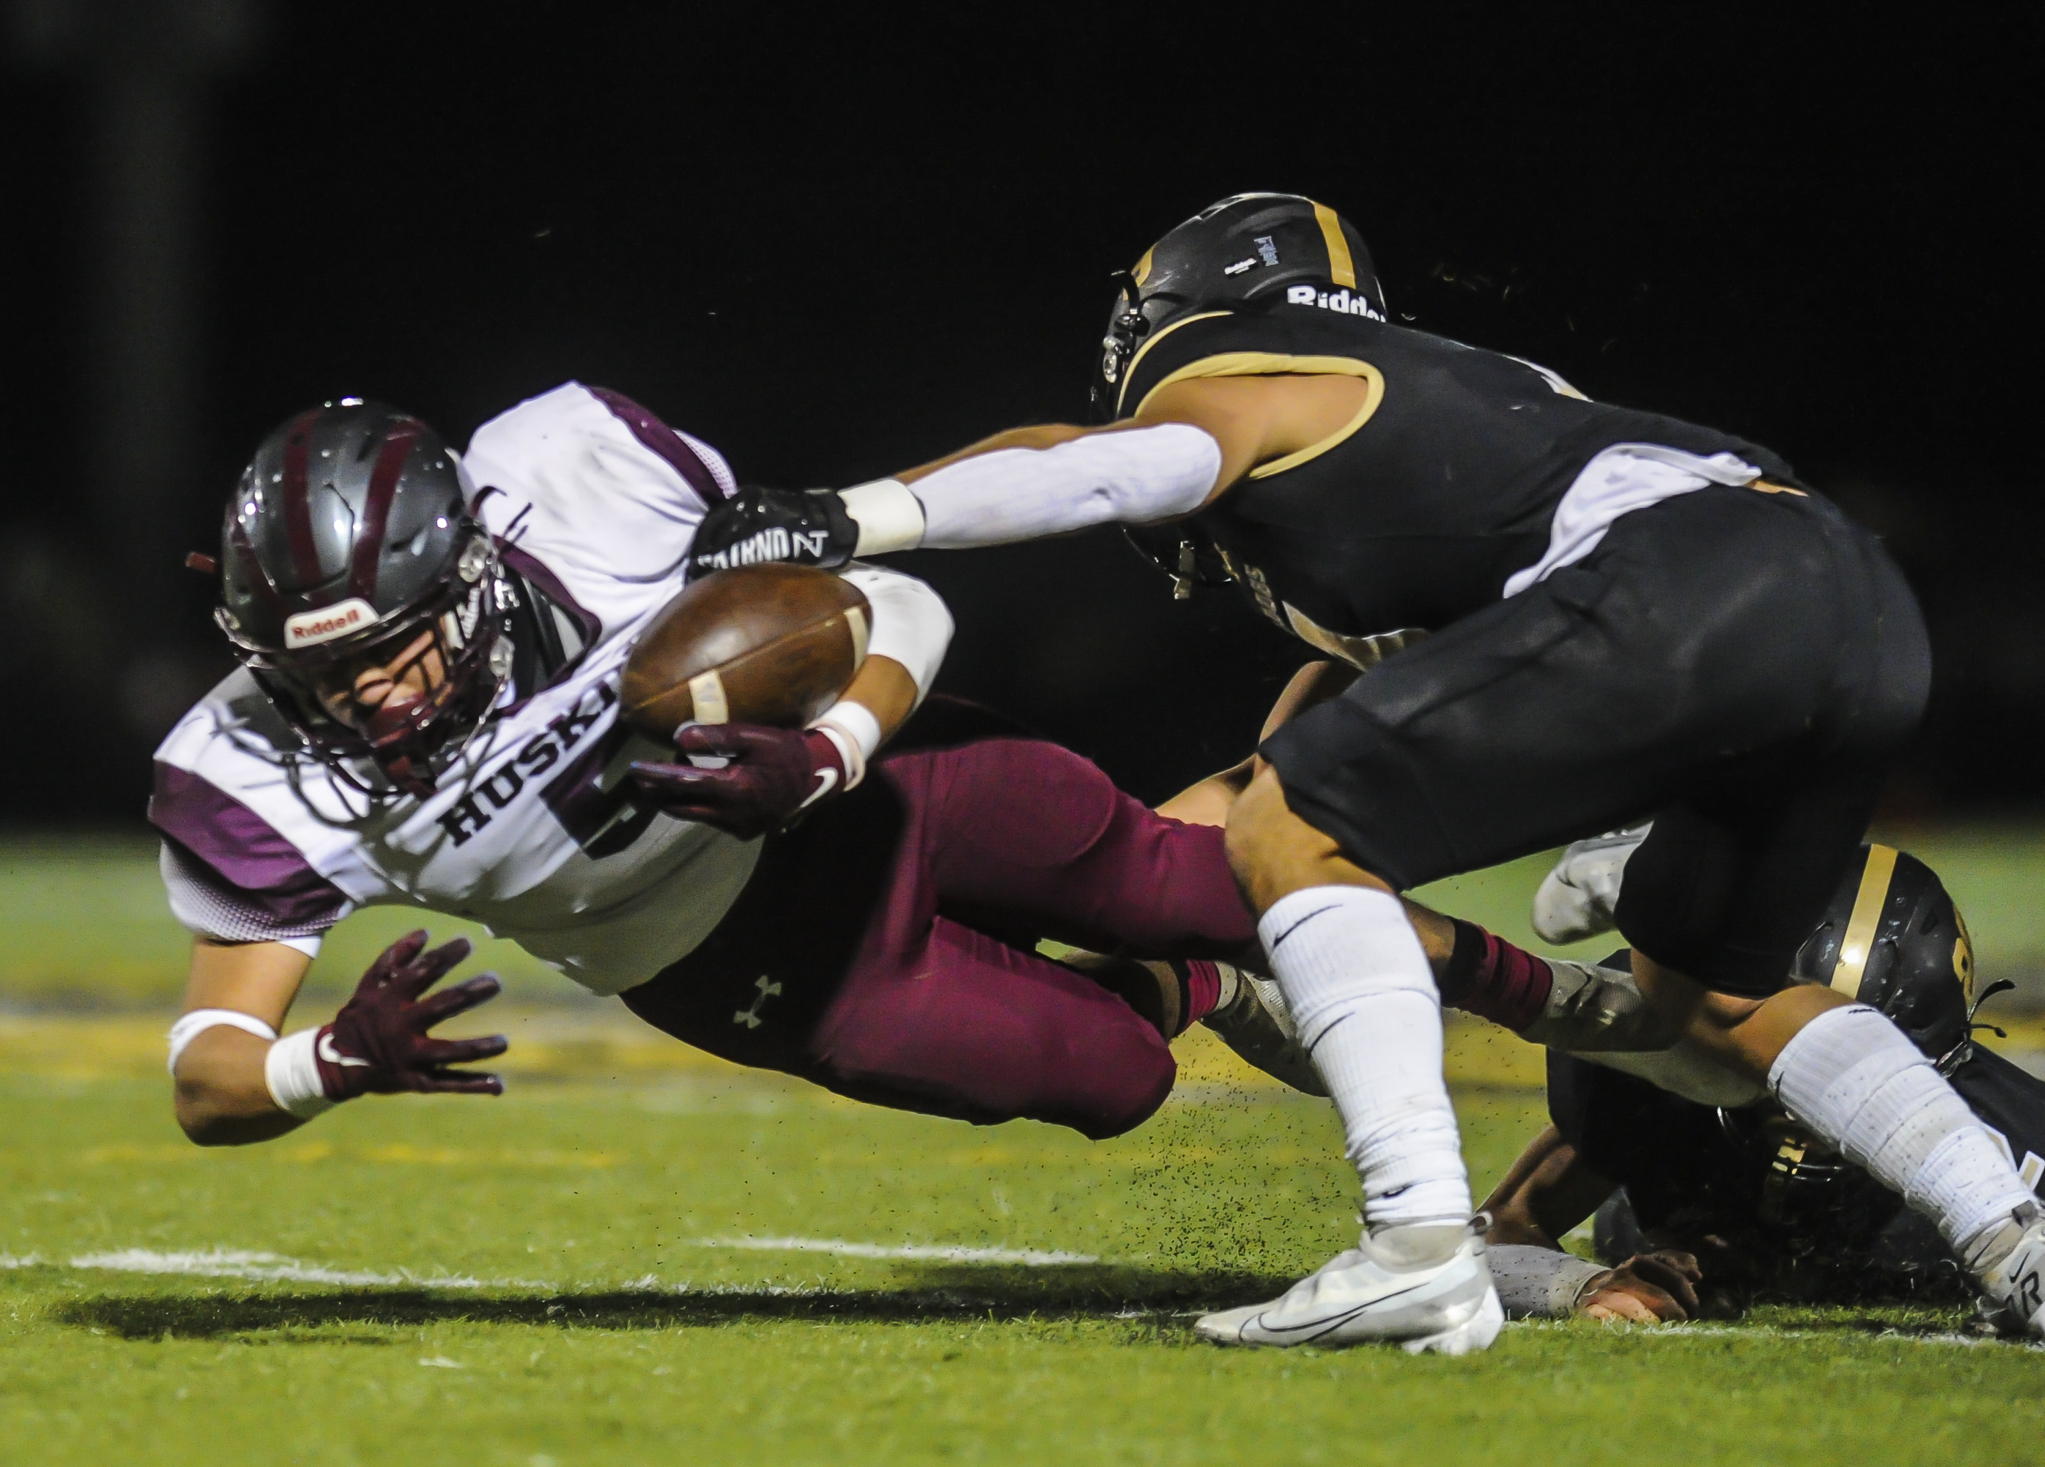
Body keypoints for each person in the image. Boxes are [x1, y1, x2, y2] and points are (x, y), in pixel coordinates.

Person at [681, 192, 2045, 1350]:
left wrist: (857, 513)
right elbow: (1237, 819)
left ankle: (1414, 1243)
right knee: (1723, 999)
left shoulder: (1241, 370)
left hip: (1698, 579)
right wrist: (1144, 951)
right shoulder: (1440, 464)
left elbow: (1107, 465)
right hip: (1848, 603)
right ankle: (2009, 1229)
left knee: (1304, 827)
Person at [157, 387, 1280, 1154]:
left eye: (389, 646)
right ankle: (1195, 987)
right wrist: (329, 1062)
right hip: (728, 954)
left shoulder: (578, 471)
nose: (370, 695)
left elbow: (880, 605)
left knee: (1198, 888)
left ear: (465, 572)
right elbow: (207, 1079)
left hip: (866, 796)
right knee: (1121, 1078)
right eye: (324, 671)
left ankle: (1440, 955)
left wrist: (829, 749)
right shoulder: (251, 770)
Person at [1481, 841, 2045, 1322]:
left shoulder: (2017, 1142)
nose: (1812, 1110)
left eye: (1864, 1067)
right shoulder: (1658, 1077)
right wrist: (1576, 1284)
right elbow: (1492, 1235)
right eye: (1797, 1050)